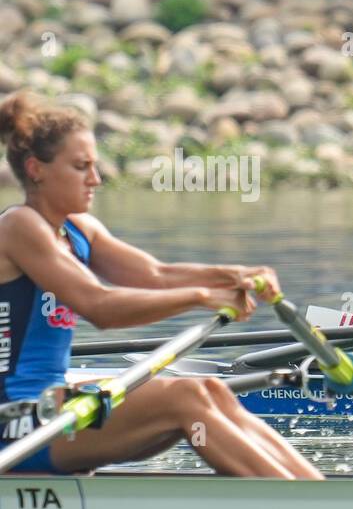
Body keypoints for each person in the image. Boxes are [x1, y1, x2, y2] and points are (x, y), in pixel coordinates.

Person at [0, 90, 322, 479]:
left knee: (210, 389)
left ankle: (311, 488)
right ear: (36, 169)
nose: (96, 179)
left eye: (95, 166)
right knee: (185, 397)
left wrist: (237, 274)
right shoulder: (19, 226)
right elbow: (99, 306)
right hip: (17, 423)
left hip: (52, 410)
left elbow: (156, 274)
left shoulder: (78, 230)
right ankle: (295, 504)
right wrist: (202, 297)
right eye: (81, 166)